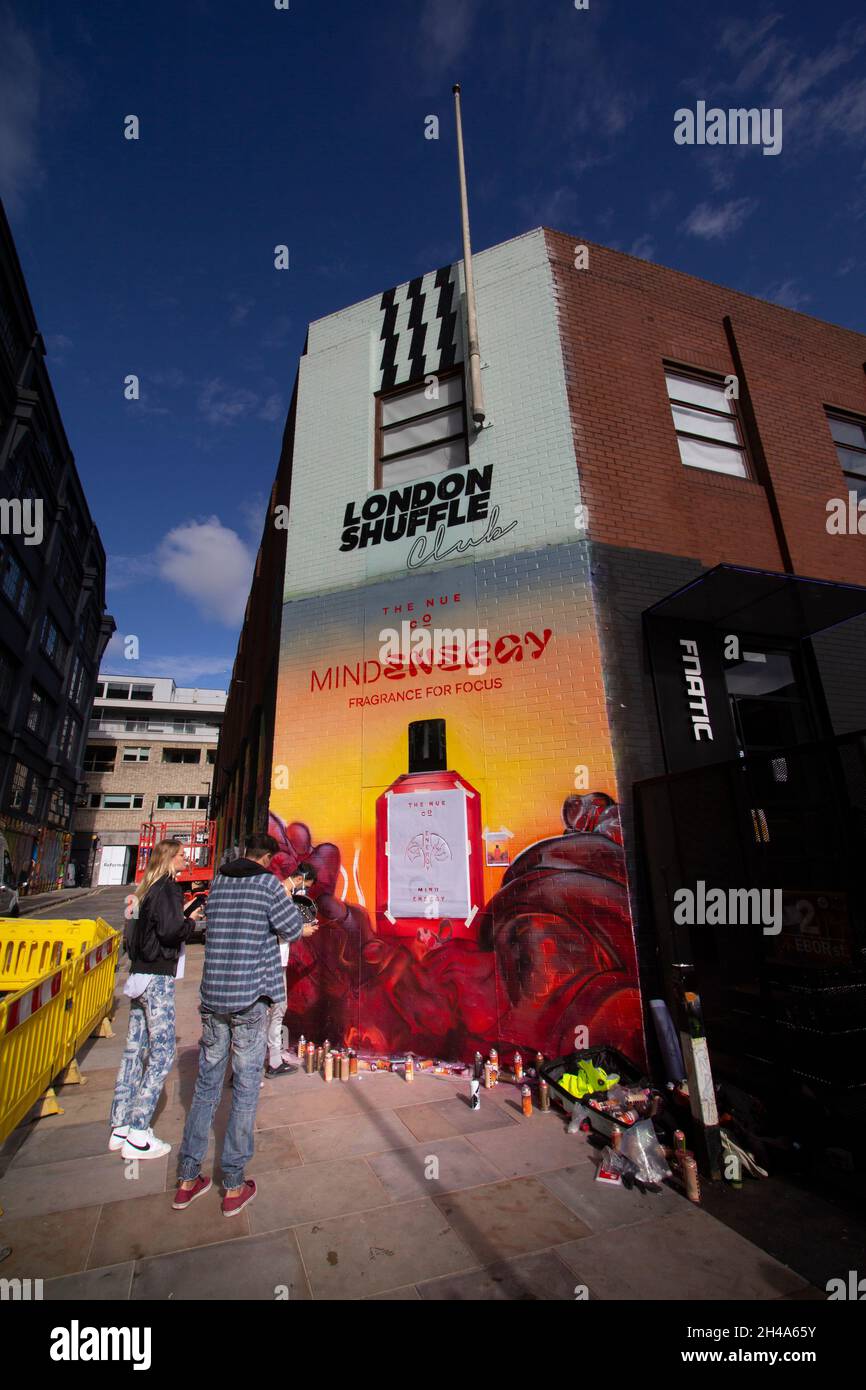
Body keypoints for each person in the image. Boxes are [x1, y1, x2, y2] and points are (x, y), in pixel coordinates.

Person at [173, 832, 315, 1218]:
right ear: (267, 858)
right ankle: (233, 1185)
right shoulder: (268, 884)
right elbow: (289, 929)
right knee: (247, 1087)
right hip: (249, 997)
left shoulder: (219, 881)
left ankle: (187, 1179)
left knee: (206, 1086)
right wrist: (298, 928)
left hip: (213, 995)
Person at [108, 839, 203, 1159]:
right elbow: (171, 931)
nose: (184, 860)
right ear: (167, 859)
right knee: (162, 1055)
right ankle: (138, 1132)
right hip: (158, 978)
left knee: (135, 1050)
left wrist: (182, 915)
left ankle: (120, 1125)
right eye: (180, 856)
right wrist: (191, 921)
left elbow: (134, 932)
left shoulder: (142, 890)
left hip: (138, 974)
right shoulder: (167, 888)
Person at [265, 861, 318, 1077]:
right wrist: (300, 930)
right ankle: (272, 1060)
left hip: (280, 958)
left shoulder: (283, 893)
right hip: (274, 959)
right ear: (299, 880)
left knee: (276, 1009)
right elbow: (278, 927)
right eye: (306, 885)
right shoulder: (280, 893)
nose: (305, 891)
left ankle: (272, 1055)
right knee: (276, 1008)